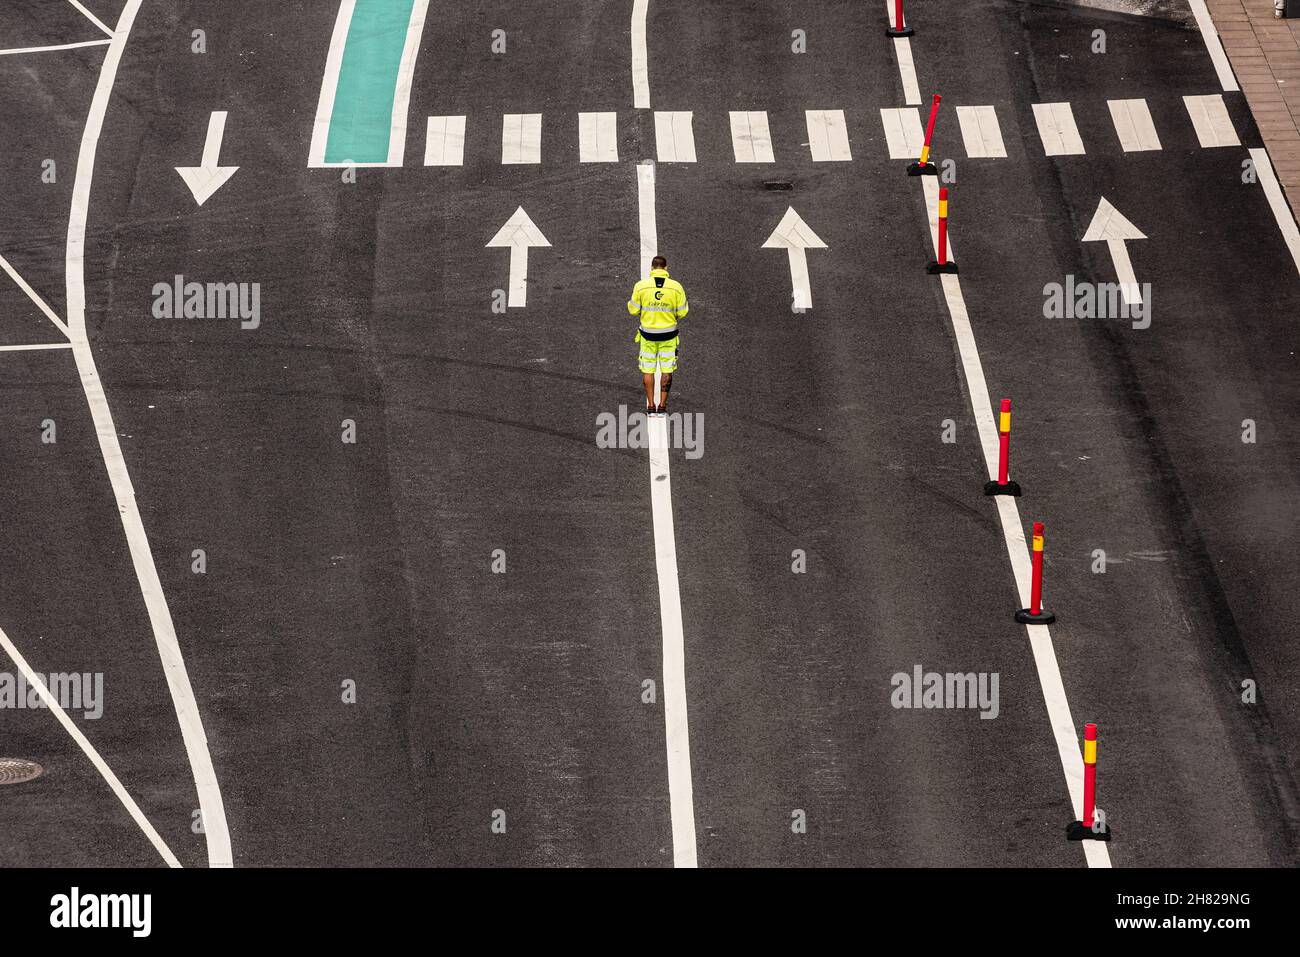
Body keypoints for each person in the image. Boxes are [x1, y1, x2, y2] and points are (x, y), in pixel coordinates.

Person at [626, 256, 688, 415]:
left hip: (648, 336)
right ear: (666, 268)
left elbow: (632, 309)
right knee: (667, 370)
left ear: (652, 268)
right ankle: (662, 406)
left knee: (648, 370)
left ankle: (651, 406)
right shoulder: (676, 287)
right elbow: (682, 312)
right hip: (669, 335)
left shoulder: (640, 287)